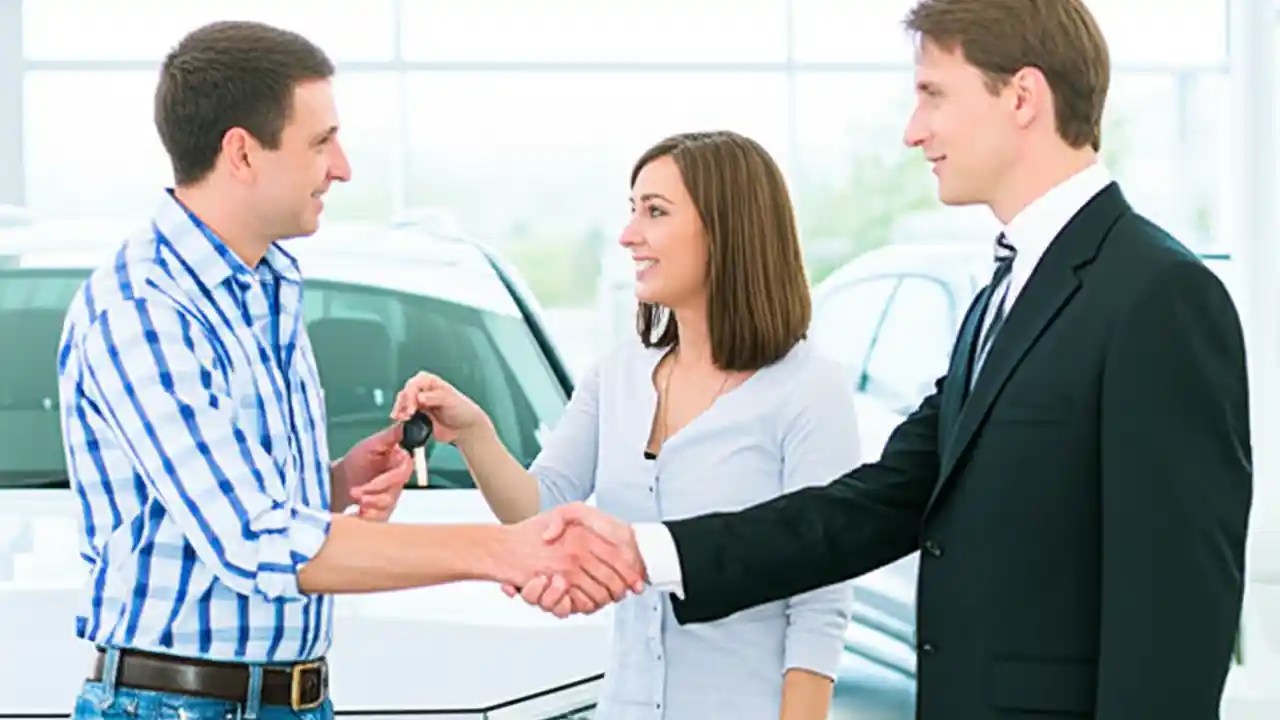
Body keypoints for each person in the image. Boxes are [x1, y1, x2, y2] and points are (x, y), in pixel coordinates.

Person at [520, 1, 1254, 718]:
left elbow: (1174, 614)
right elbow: (874, 505)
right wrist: (647, 550)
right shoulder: (1004, 295)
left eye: (933, 94)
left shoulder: (1158, 295)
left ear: (1022, 97)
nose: (913, 131)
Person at [58, 21, 638, 720]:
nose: (343, 167)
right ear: (241, 152)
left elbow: (224, 507)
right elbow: (252, 538)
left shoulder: (268, 286)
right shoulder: (144, 308)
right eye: (320, 141)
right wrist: (502, 551)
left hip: (294, 701)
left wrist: (333, 484)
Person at [391, 130, 859, 719]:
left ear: (727, 229)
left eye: (655, 212)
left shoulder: (808, 388)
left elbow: (821, 600)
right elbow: (540, 511)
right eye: (632, 210)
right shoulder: (617, 374)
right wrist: (476, 434)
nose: (628, 234)